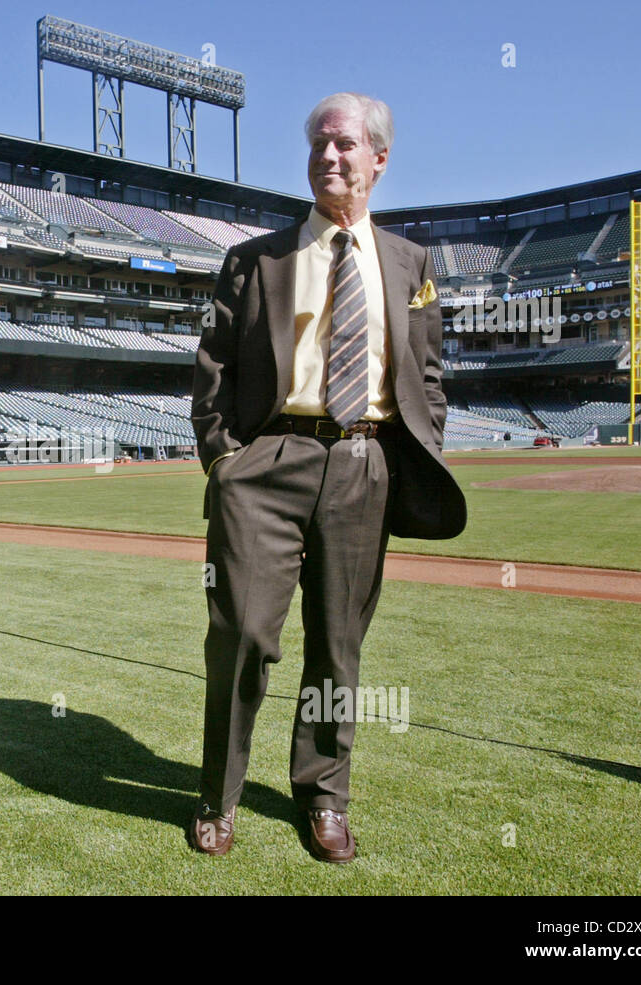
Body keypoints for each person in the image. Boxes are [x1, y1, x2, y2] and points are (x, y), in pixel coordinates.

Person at [189, 92, 466, 863]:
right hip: (267, 464)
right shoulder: (254, 259)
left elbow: (430, 375)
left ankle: (324, 794)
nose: (327, 157)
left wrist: (412, 445)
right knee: (241, 634)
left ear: (379, 158)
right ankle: (219, 793)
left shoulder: (411, 264)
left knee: (338, 647)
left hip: (362, 463)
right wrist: (226, 460)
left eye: (343, 144)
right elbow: (211, 369)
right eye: (317, 144)